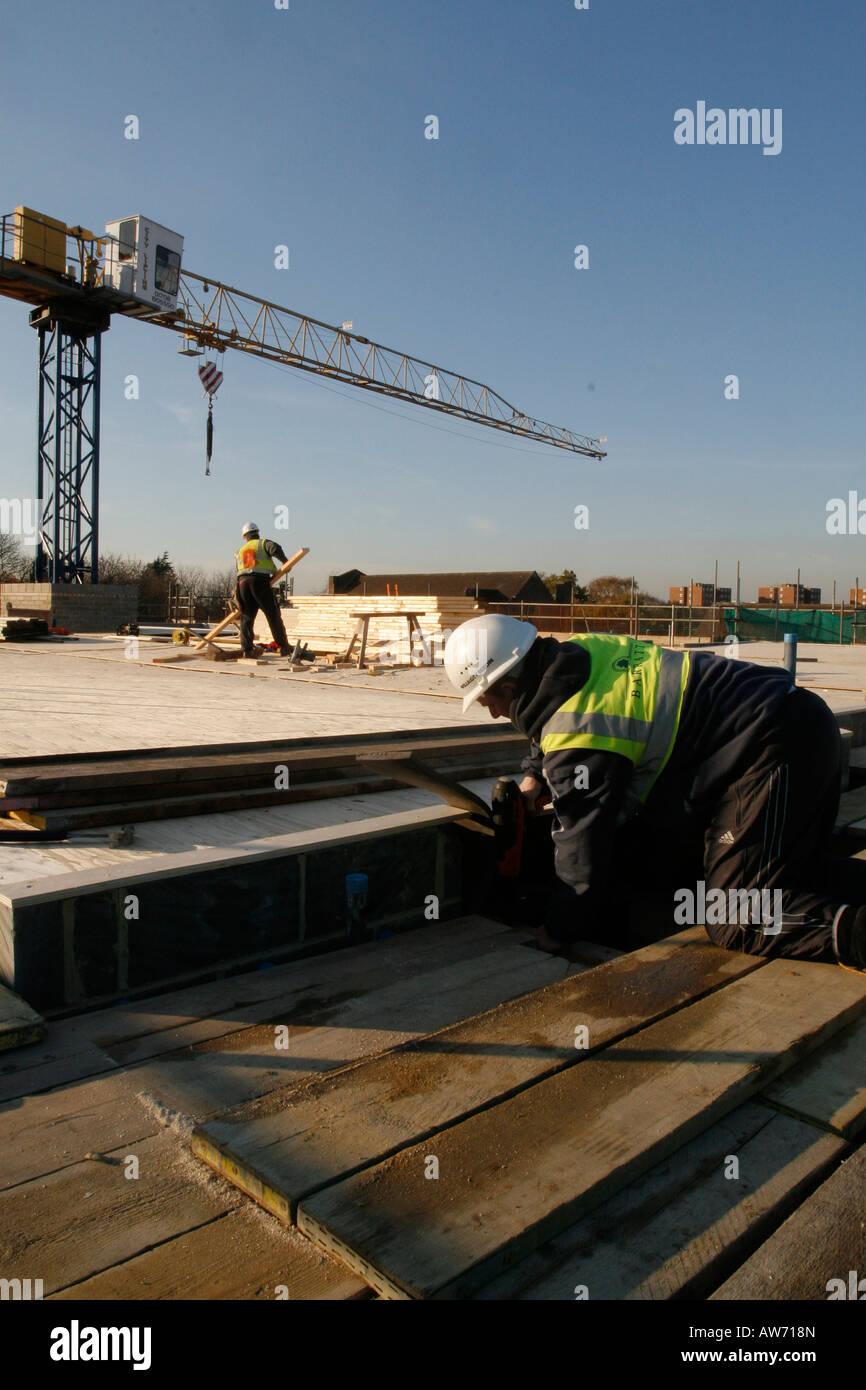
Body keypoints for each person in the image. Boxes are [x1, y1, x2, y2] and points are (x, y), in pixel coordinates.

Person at [443, 614, 866, 973]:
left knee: (738, 917)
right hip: (799, 721)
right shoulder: (583, 652)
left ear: (509, 689)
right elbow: (551, 713)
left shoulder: (579, 733)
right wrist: (534, 775)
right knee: (790, 878)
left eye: (488, 702)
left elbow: (581, 850)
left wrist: (556, 932)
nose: (495, 713)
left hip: (772, 747)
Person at [234, 522, 291, 657]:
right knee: (273, 614)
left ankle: (247, 650)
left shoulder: (240, 551)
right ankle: (284, 646)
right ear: (257, 533)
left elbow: (239, 571)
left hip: (242, 584)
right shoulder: (263, 543)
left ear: (245, 537)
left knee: (247, 617)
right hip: (259, 582)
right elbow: (275, 548)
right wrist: (285, 562)